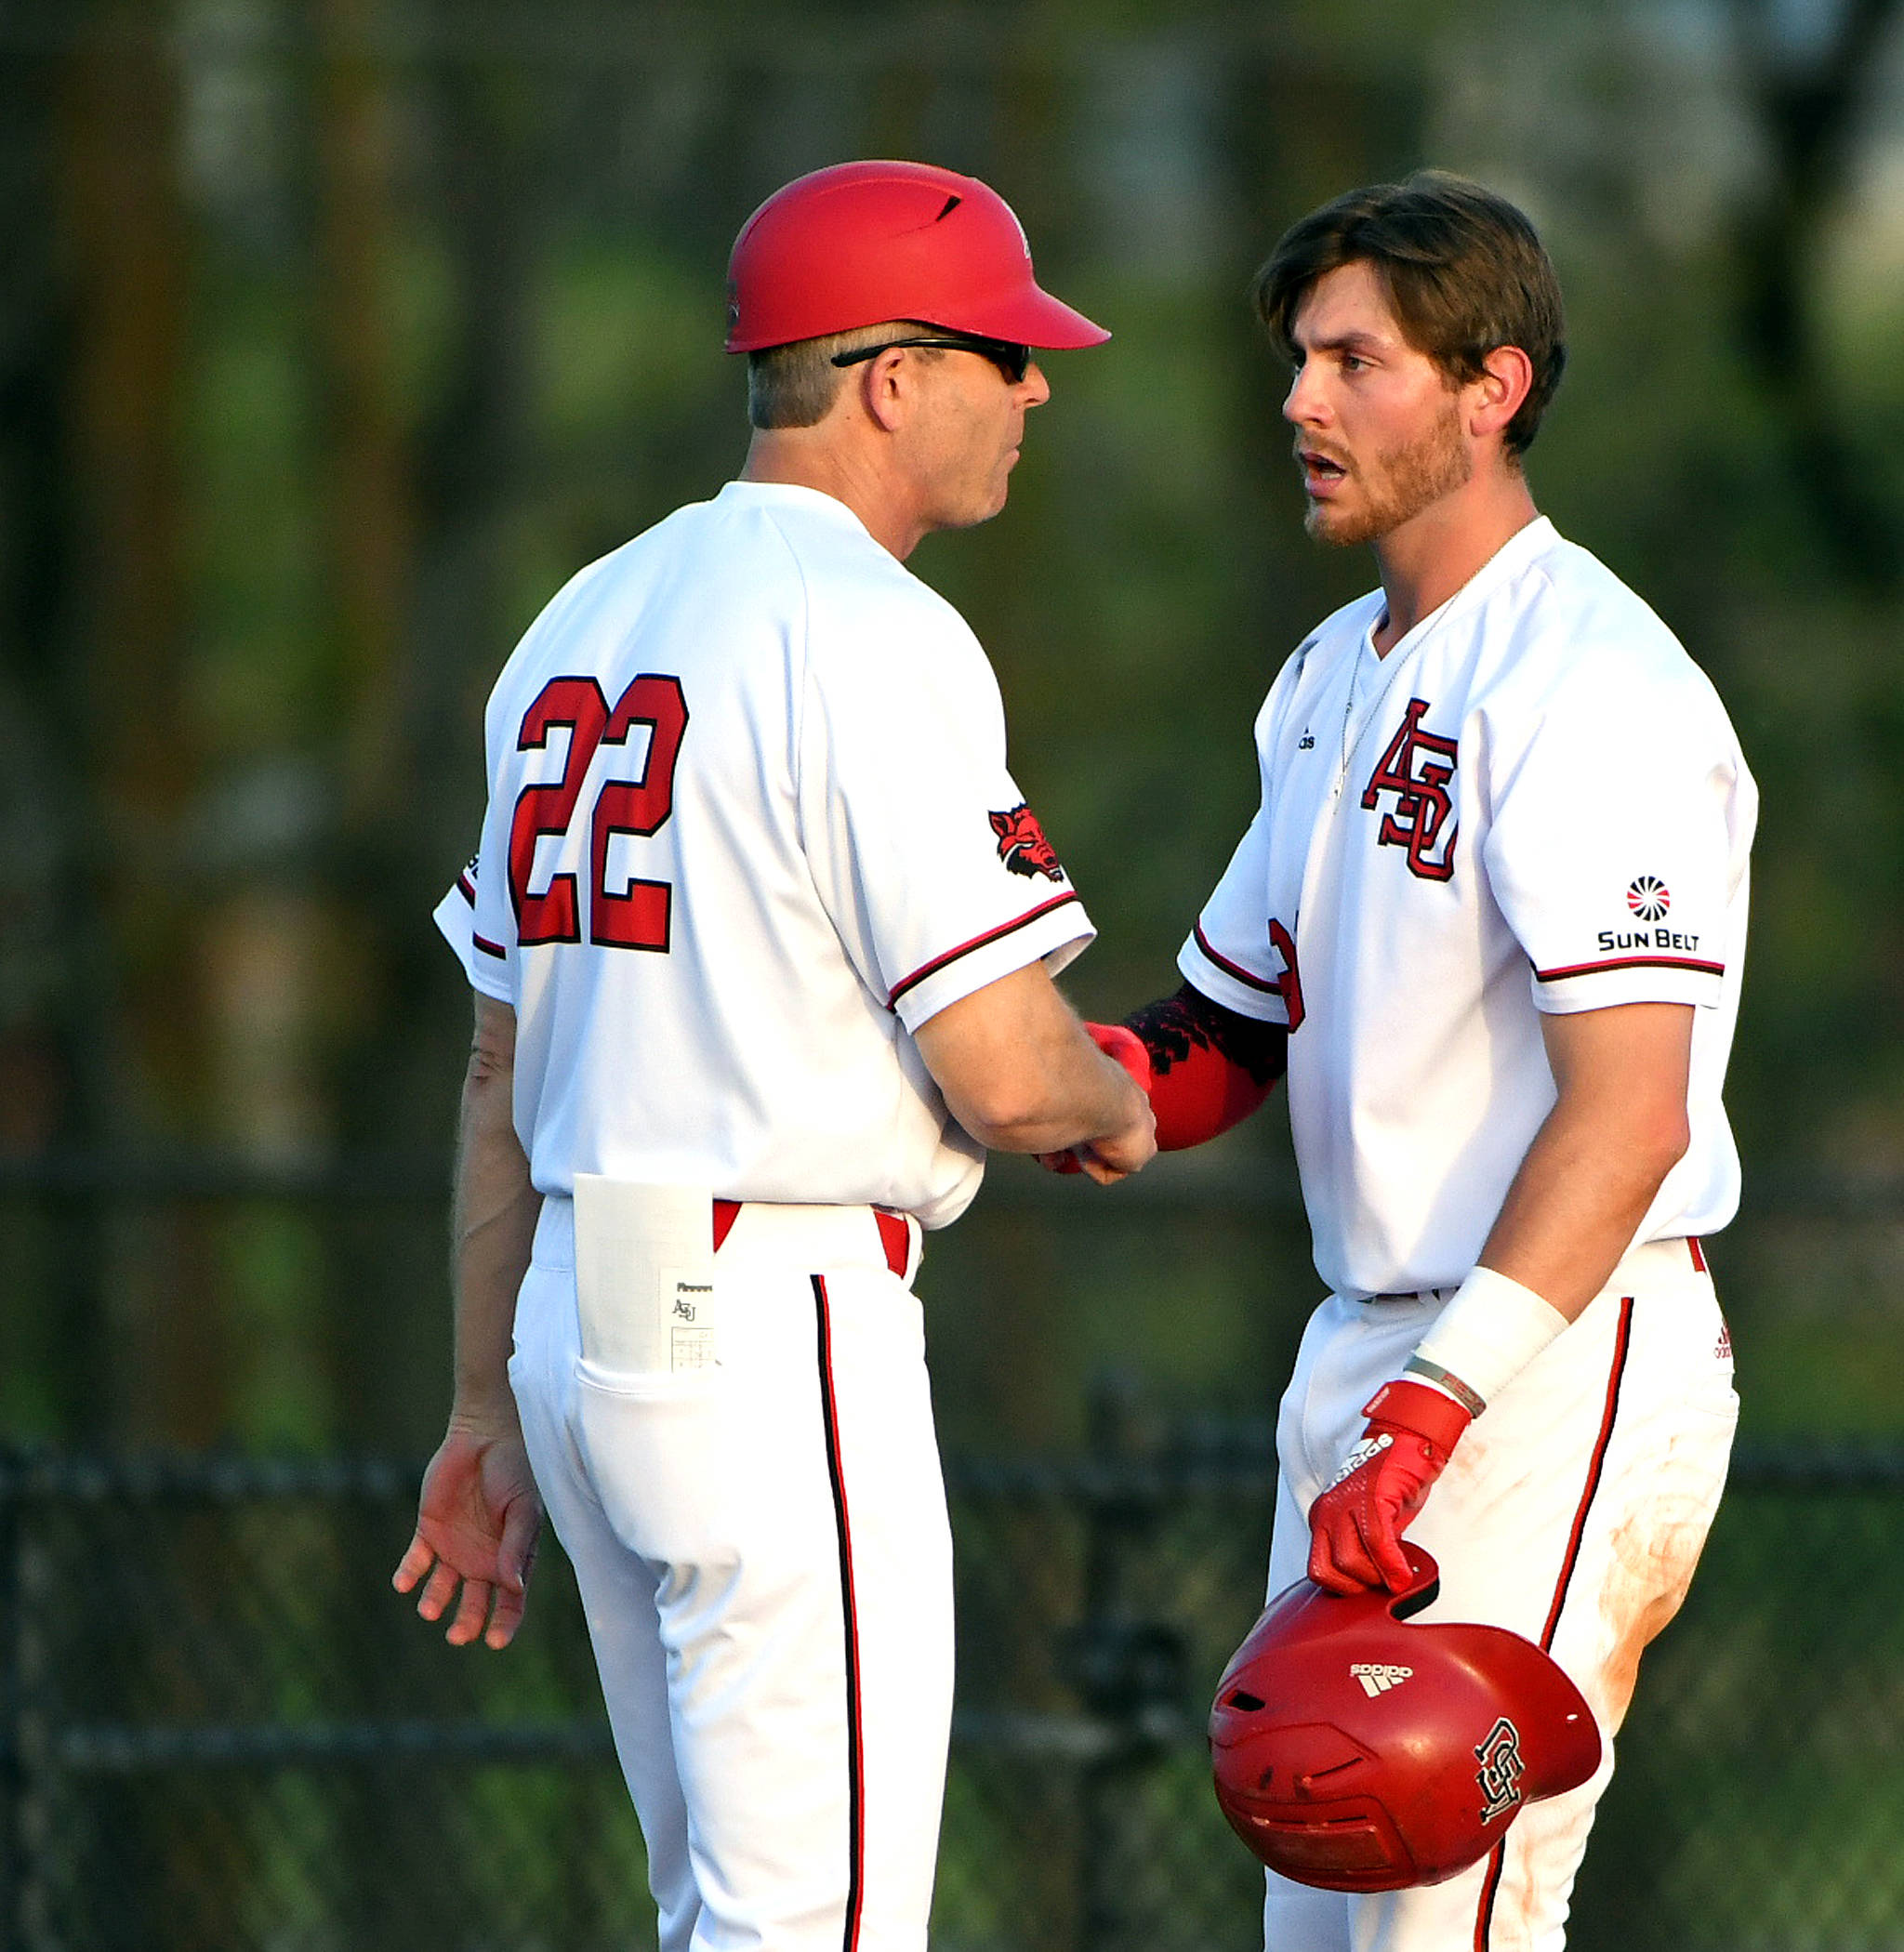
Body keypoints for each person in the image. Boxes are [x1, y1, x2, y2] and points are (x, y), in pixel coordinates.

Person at [391, 159, 1156, 1952]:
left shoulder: (578, 619)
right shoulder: (869, 633)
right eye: (1001, 352)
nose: (1034, 385)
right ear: (890, 375)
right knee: (816, 1928)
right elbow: (1010, 1071)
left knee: (726, 1918)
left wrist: (486, 1404)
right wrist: (1121, 1097)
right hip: (772, 1315)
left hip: (589, 1321)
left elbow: (498, 1071)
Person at [1093, 171, 1755, 1952]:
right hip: (1375, 1377)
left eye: (1355, 361)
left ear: (1494, 389)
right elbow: (1223, 1030)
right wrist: (995, 1068)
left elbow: (1632, 1114)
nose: (1299, 402)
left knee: (1447, 1921)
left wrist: (1435, 1403)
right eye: (1299, 361)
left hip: (1544, 1362)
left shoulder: (1586, 680)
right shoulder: (1328, 670)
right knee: (1328, 1912)